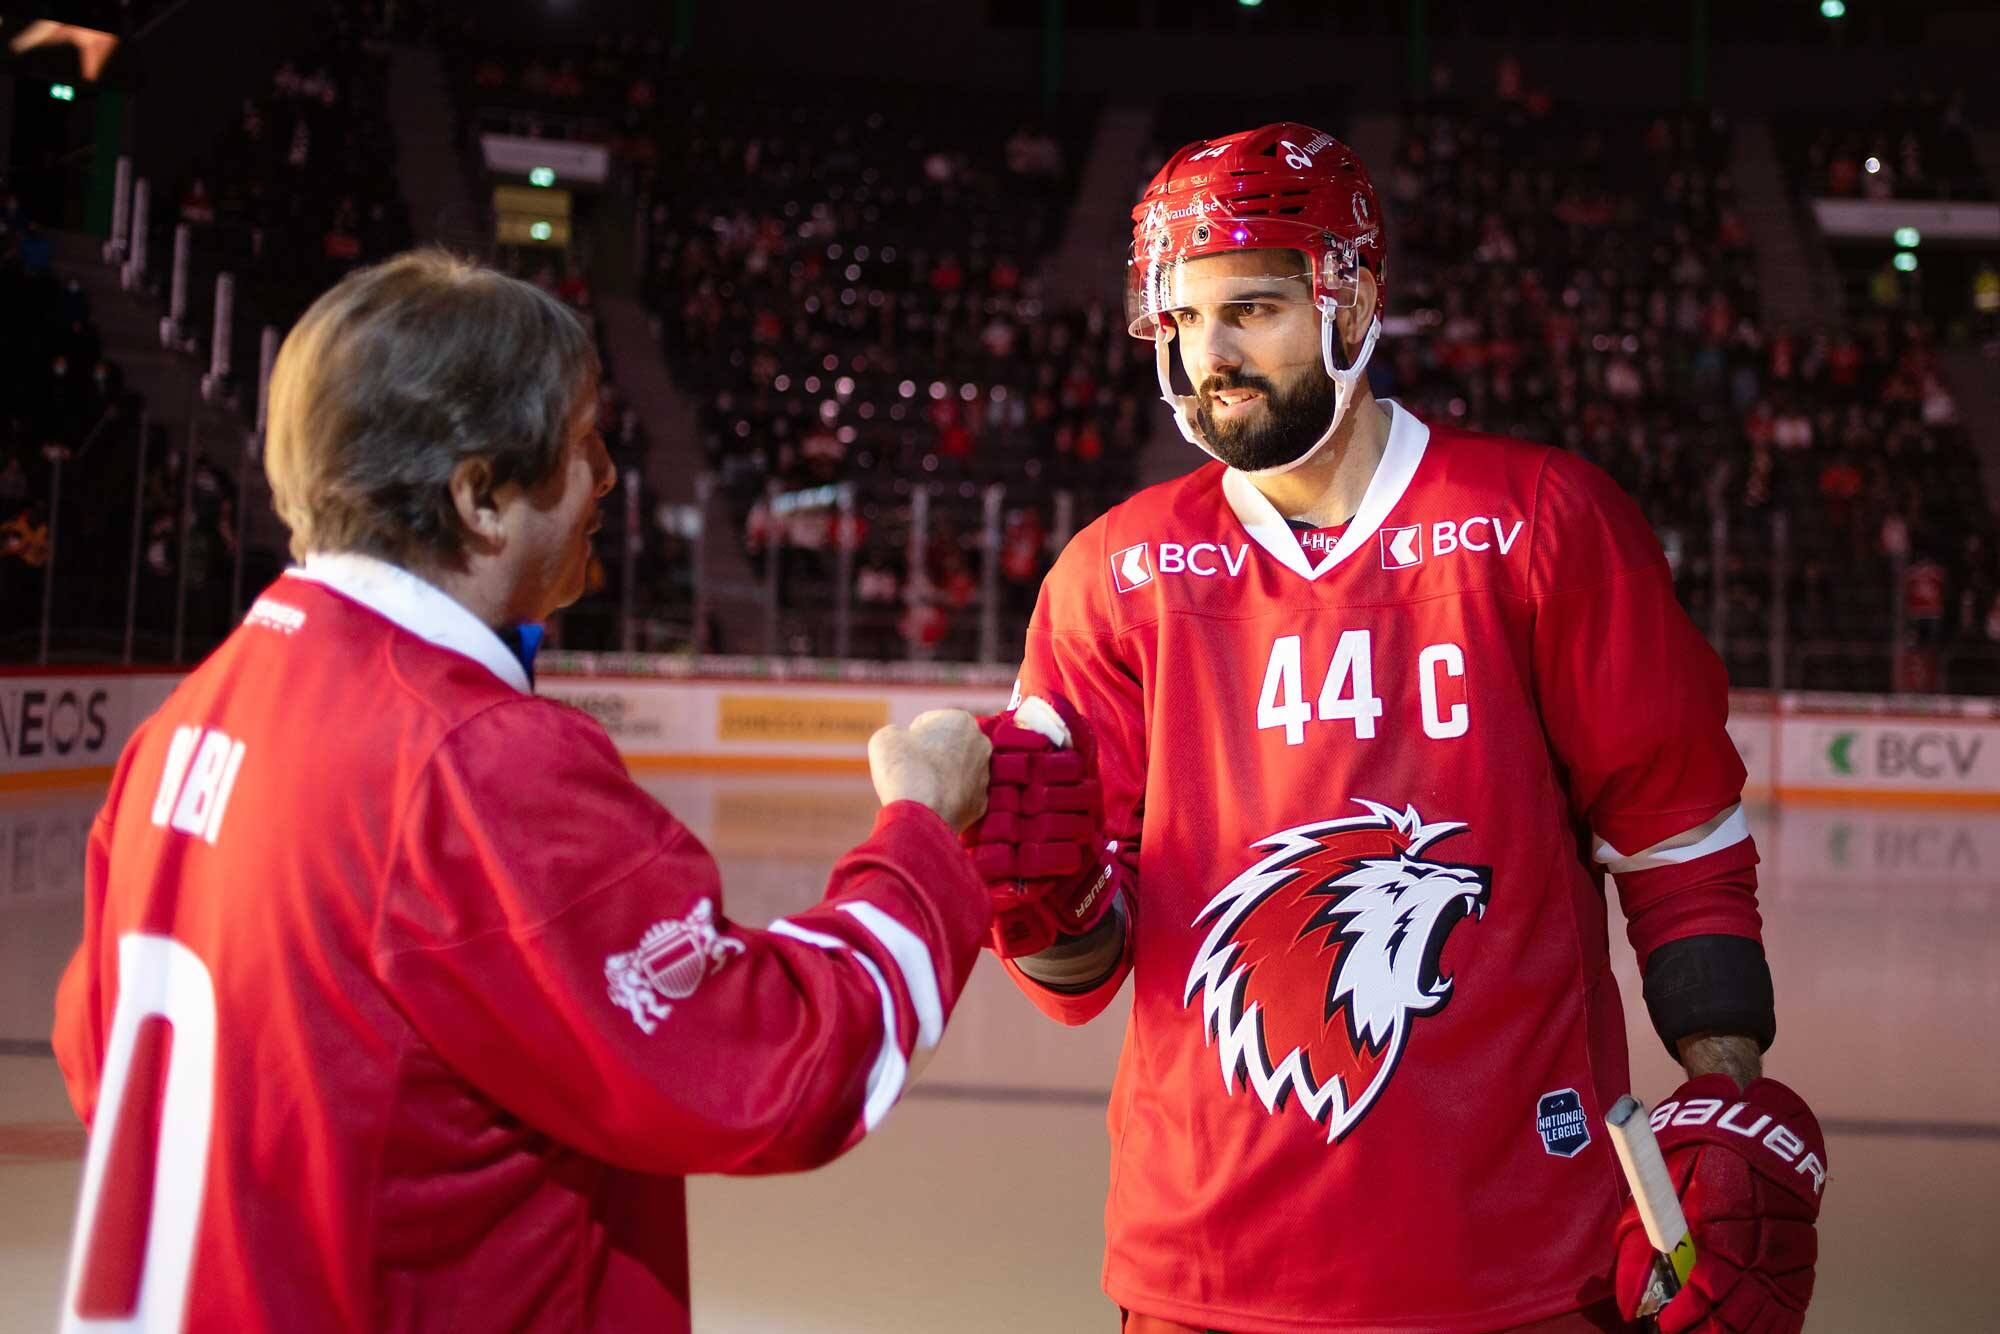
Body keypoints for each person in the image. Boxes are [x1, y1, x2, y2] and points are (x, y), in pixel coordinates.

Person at [960, 125, 1826, 1334]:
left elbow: (1676, 836)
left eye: (1249, 308)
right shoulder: (1111, 575)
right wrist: (1038, 894)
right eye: (1180, 319)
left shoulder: (1542, 522)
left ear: (1351, 294)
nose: (1208, 355)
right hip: (1205, 1266)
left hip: (1527, 1260)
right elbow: (1081, 973)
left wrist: (1725, 1107)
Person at [50, 250, 996, 1333]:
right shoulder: (471, 758)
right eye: (583, 439)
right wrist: (922, 830)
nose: (605, 473)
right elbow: (775, 1065)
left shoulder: (194, 715)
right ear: (480, 497)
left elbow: (99, 1058)